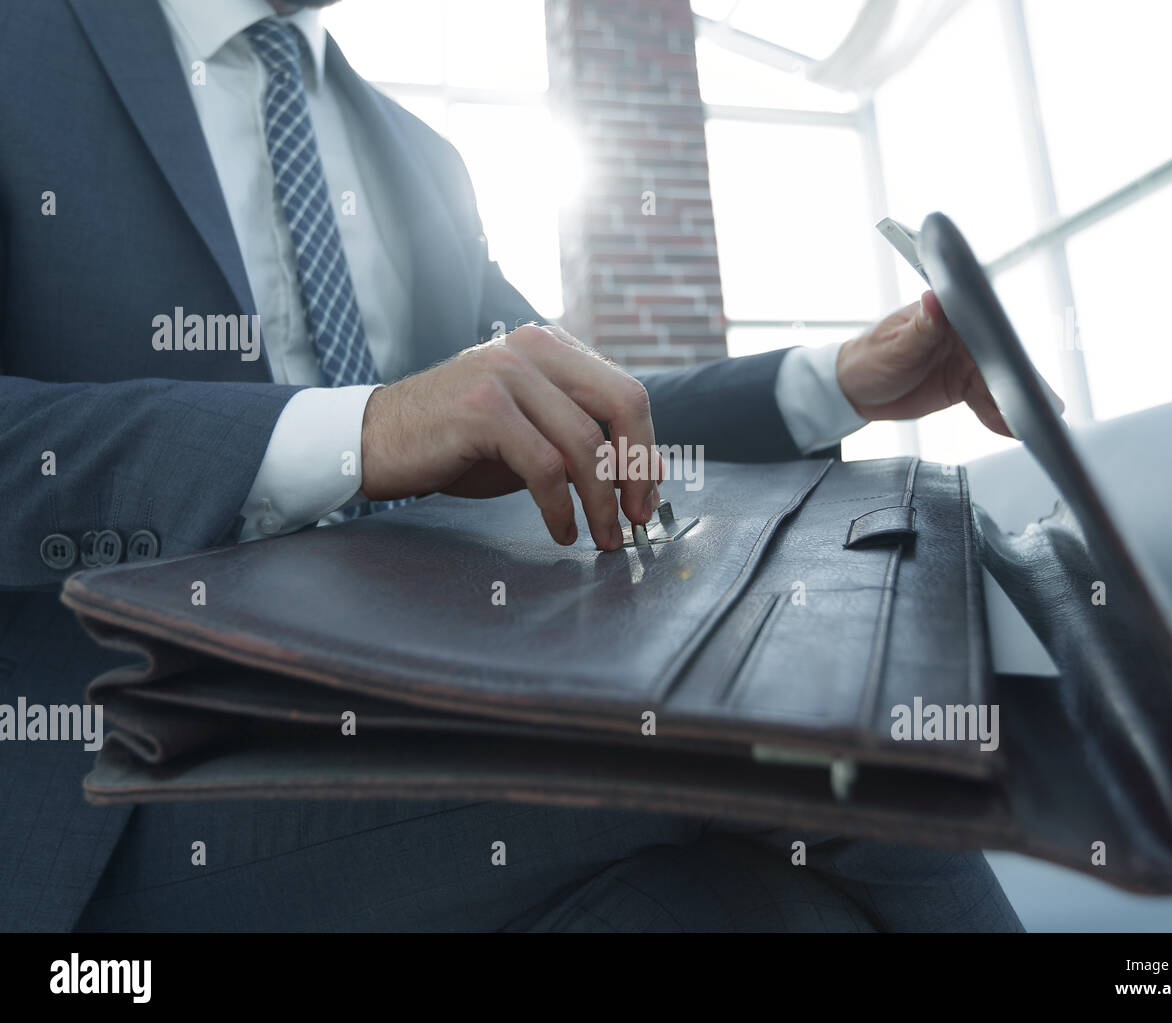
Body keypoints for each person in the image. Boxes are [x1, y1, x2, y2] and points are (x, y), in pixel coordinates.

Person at [0, 0, 1021, 931]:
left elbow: (563, 396)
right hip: (113, 778)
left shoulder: (419, 159)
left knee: (741, 907)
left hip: (424, 702)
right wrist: (364, 432)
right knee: (829, 750)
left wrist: (835, 380)